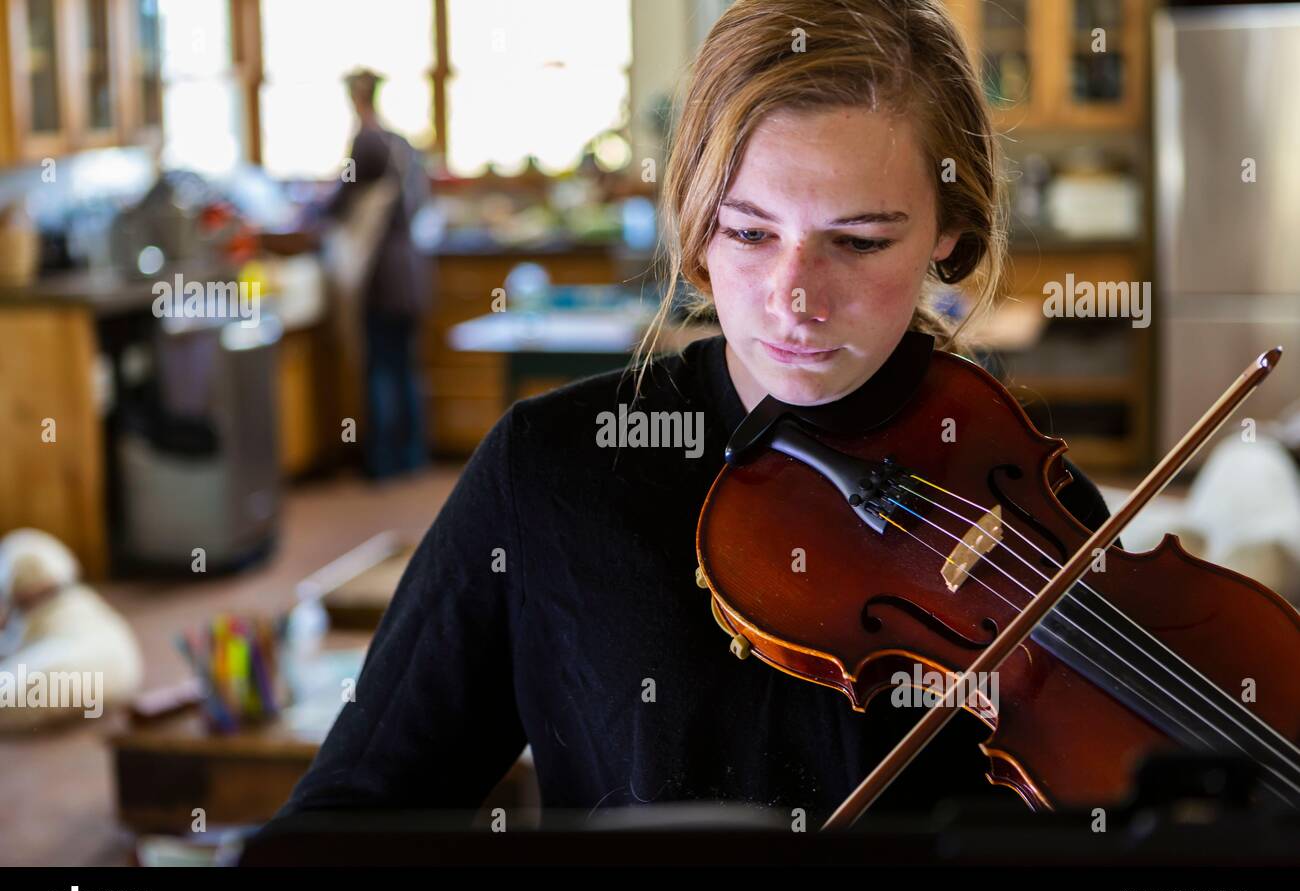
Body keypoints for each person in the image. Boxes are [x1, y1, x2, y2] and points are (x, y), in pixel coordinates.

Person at [269, 0, 1114, 831]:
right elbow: (343, 821)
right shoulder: (549, 472)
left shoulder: (1035, 510)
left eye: (858, 241)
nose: (796, 301)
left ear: (950, 233)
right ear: (696, 224)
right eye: (749, 234)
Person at [324, 68, 430, 480]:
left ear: (355, 96)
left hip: (382, 272)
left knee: (381, 365)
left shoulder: (366, 141)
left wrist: (314, 213)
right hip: (412, 268)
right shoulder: (403, 144)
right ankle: (413, 455)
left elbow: (340, 199)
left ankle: (382, 462)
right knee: (406, 365)